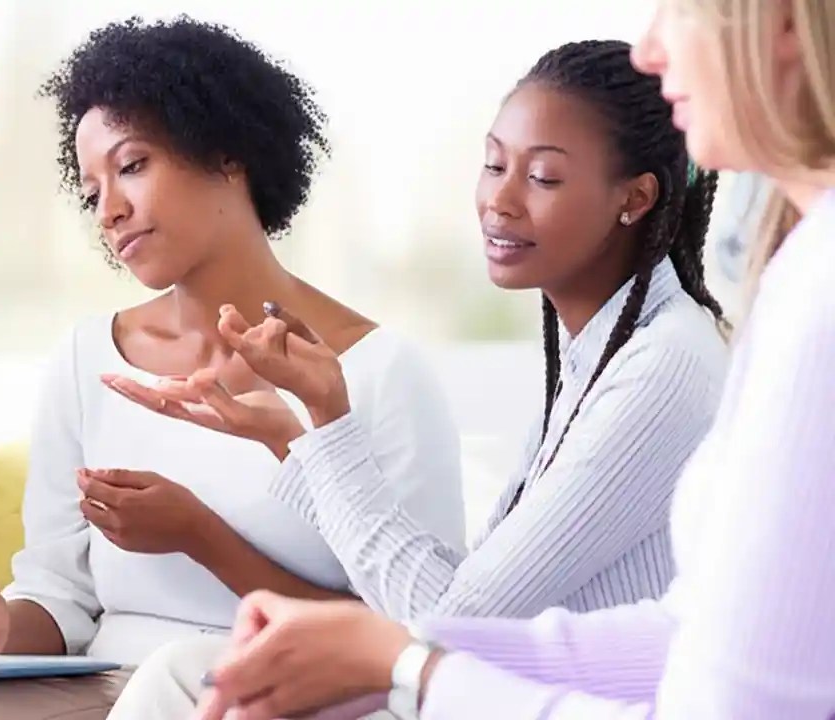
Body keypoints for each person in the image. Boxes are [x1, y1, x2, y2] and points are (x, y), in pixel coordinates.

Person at [192, 0, 835, 717]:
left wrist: (404, 662)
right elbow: (682, 637)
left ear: (636, 200)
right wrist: (303, 435)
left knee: (191, 677)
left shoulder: (673, 363)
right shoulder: (605, 354)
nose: (498, 199)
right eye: (494, 163)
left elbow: (455, 610)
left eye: (544, 177)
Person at [0, 16, 464, 720]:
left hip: (294, 690)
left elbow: (413, 632)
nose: (109, 212)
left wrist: (200, 536)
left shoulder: (379, 371)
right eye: (91, 192)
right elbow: (60, 594)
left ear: (226, 154)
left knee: (169, 680)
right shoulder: (86, 359)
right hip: (112, 680)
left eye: (133, 166)